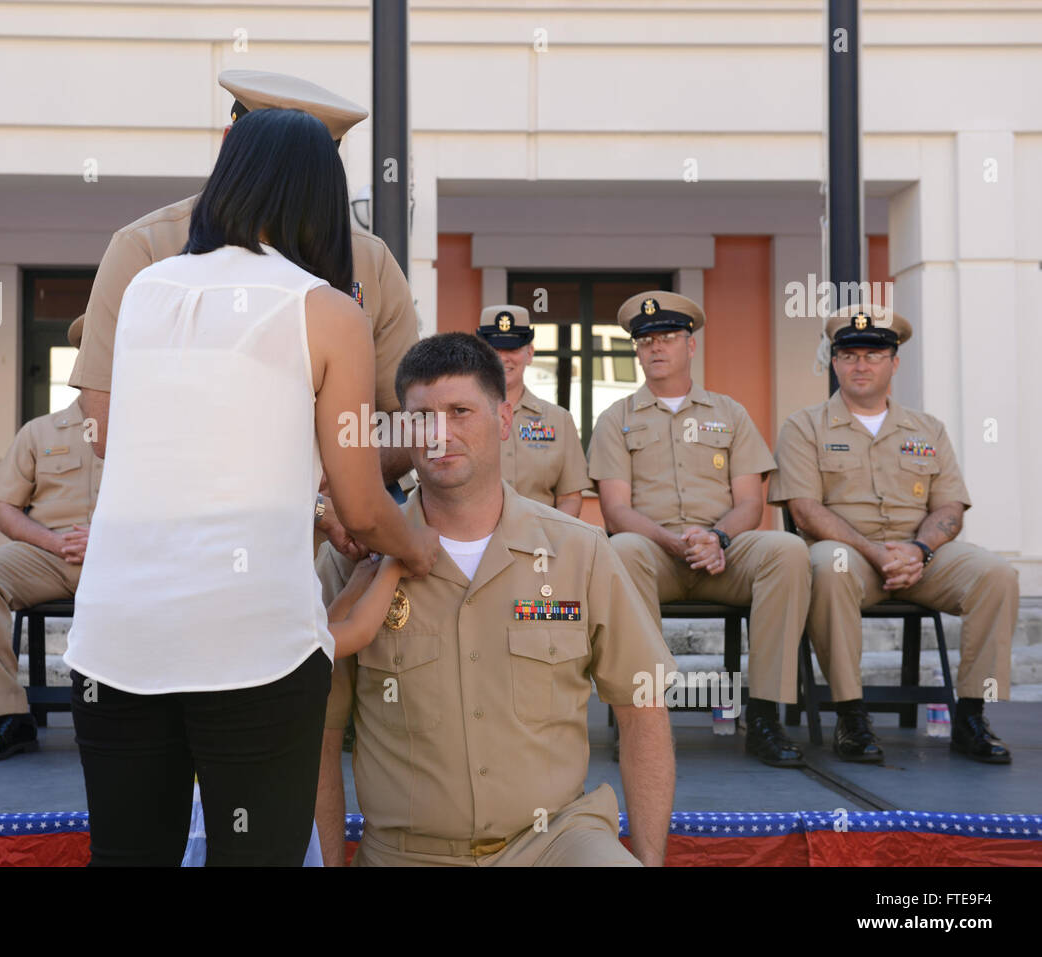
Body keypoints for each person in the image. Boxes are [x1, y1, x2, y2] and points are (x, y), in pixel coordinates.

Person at [63, 108, 439, 867]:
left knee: (128, 856)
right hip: (251, 647)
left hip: (115, 640)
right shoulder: (329, 311)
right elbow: (363, 504)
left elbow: (169, 443)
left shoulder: (146, 290)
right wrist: (417, 546)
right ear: (321, 199)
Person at [315, 333, 676, 867]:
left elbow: (642, 711)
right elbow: (316, 737)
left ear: (504, 420)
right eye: (421, 416)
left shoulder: (579, 552)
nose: (440, 433)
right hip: (410, 854)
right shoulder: (356, 560)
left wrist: (649, 862)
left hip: (555, 843)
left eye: (461, 411)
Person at [69, 69, 420, 537]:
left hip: (345, 542)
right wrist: (309, 502)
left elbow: (408, 420)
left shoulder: (369, 261)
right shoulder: (146, 247)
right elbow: (108, 429)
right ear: (229, 143)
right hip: (195, 540)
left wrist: (339, 492)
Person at [770, 305, 1017, 764]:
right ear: (835, 362)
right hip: (849, 556)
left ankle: (971, 713)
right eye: (849, 355)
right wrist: (874, 552)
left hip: (920, 555)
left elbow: (948, 506)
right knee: (828, 565)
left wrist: (919, 549)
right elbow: (804, 510)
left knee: (997, 574)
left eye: (874, 355)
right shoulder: (804, 426)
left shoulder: (927, 429)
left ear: (894, 363)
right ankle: (851, 714)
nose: (860, 365)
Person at [587, 291, 810, 768]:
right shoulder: (615, 419)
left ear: (691, 346)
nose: (656, 348)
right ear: (637, 350)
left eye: (668, 337)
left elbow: (751, 502)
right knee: (621, 549)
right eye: (646, 341)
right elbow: (615, 510)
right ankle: (645, 714)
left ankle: (766, 715)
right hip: (655, 554)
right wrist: (672, 541)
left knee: (787, 550)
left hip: (723, 553)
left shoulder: (729, 414)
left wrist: (718, 539)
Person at [0, 316, 98, 762]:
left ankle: (158, 712)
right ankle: (10, 716)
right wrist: (55, 544)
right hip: (52, 557)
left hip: (127, 558)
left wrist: (114, 541)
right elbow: (4, 510)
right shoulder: (40, 431)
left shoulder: (152, 429)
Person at [475, 304, 591, 516]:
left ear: (529, 353)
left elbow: (569, 498)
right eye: (494, 349)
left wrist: (552, 538)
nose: (503, 358)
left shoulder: (559, 420)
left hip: (541, 540)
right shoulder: (459, 416)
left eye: (512, 348)